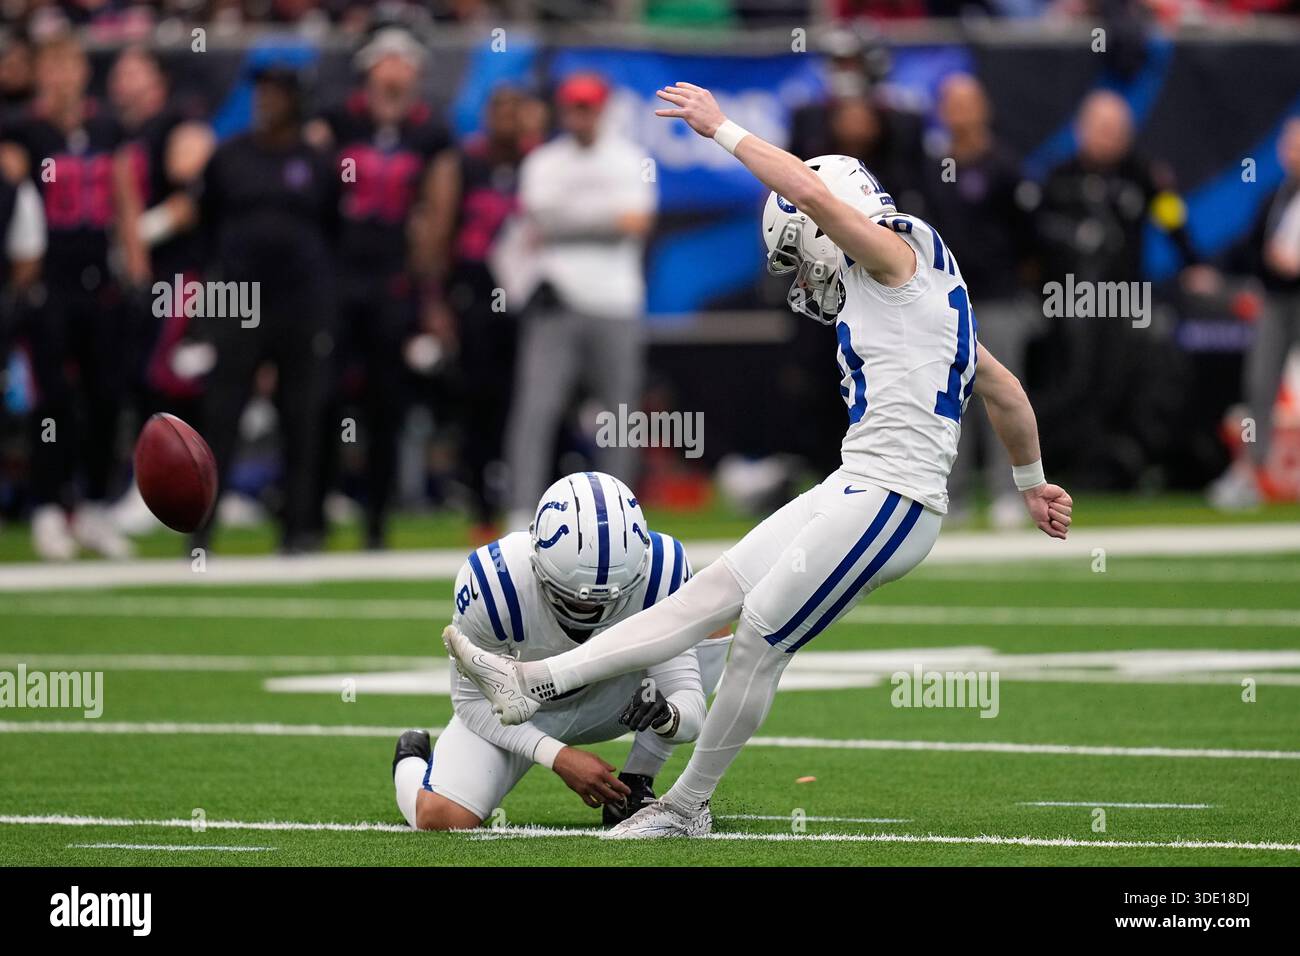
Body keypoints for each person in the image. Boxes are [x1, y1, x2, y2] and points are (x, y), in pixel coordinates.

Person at [445, 82, 1073, 839]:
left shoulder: (890, 252)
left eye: (797, 254)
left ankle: (685, 808)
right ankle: (532, 680)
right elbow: (1000, 388)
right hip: (859, 485)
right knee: (710, 594)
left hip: (894, 499)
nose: (803, 278)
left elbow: (810, 191)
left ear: (821, 225)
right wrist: (1032, 481)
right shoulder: (925, 283)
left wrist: (722, 129)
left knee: (759, 637)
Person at [393, 471, 727, 830]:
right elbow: (472, 702)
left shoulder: (662, 570)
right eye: (572, 599)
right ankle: (410, 759)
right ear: (537, 563)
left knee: (711, 611)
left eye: (607, 601)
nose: (590, 613)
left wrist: (667, 716)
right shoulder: (494, 583)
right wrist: (558, 757)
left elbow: (688, 703)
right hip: (517, 709)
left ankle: (636, 783)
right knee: (440, 818)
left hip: (618, 698)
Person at [2, 35, 148, 561]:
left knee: (106, 398)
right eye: (53, 67)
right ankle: (46, 507)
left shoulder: (108, 130)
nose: (62, 77)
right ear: (40, 75)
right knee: (52, 403)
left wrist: (137, 270)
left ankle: (92, 506)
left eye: (70, 65)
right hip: (48, 283)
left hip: (99, 283)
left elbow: (126, 203)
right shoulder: (23, 131)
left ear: (85, 71)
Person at [305, 27, 449, 548]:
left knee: (386, 405)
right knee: (322, 398)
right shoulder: (339, 123)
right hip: (339, 279)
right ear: (369, 68)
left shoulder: (429, 134)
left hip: (392, 282)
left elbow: (438, 210)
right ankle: (311, 515)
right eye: (387, 60)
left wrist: (428, 290)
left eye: (404, 62)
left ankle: (377, 521)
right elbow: (316, 201)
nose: (395, 70)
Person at [501, 72, 656, 531]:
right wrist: (605, 217)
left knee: (620, 414)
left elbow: (635, 222)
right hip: (557, 301)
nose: (580, 116)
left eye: (588, 107)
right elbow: (537, 219)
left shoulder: (630, 159)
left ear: (603, 109)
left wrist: (563, 221)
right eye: (573, 106)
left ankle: (619, 517)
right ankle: (520, 511)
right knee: (536, 408)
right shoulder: (544, 161)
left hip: (616, 302)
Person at [194, 64, 339, 553]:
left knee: (301, 415)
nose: (266, 102)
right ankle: (202, 530)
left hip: (300, 302)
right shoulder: (228, 157)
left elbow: (331, 228)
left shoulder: (317, 161)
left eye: (277, 93)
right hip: (238, 300)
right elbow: (207, 229)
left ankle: (297, 529)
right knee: (221, 414)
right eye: (262, 93)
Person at [416, 84, 533, 540]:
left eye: (513, 110)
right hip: (475, 294)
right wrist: (434, 302)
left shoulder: (539, 163)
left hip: (528, 297)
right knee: (478, 402)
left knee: (529, 403)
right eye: (498, 109)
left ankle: (527, 502)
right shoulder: (461, 164)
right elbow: (437, 232)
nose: (506, 118)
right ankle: (482, 507)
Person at [924, 73, 1038, 527]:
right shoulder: (932, 169)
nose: (960, 112)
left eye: (968, 103)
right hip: (944, 303)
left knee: (1003, 395)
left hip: (998, 298)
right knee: (951, 399)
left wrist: (1018, 290)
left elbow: (1030, 239)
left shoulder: (1005, 166)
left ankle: (1009, 490)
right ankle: (952, 493)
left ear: (984, 108)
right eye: (951, 103)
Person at [1208, 117, 1300, 509]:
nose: (1292, 152)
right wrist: (1213, 273)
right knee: (1259, 385)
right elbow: (1252, 247)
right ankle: (1253, 471)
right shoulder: (1277, 195)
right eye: (1290, 144)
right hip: (1277, 303)